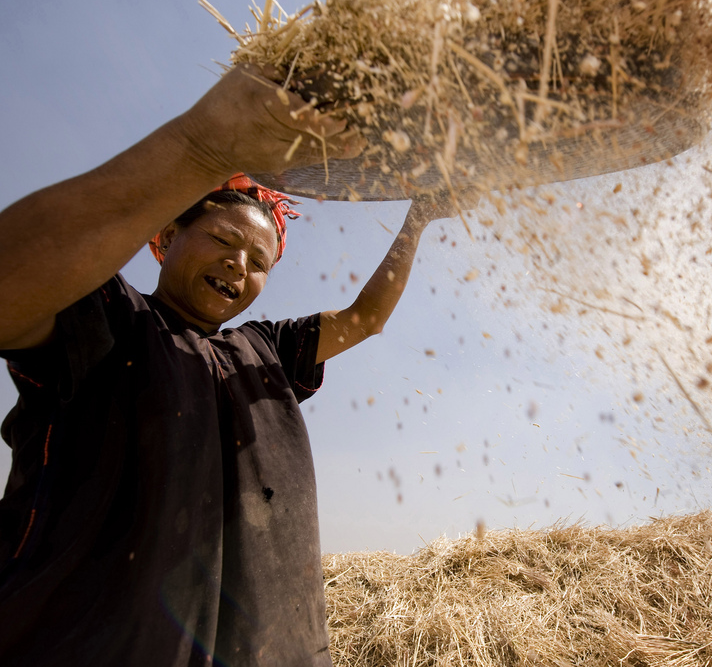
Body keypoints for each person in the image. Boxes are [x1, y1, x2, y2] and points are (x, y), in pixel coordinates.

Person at [0, 65, 466, 665]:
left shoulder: (264, 350)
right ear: (164, 236)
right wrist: (203, 146)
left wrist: (420, 215)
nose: (239, 266)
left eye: (259, 260)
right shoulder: (105, 317)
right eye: (222, 241)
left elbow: (366, 317)